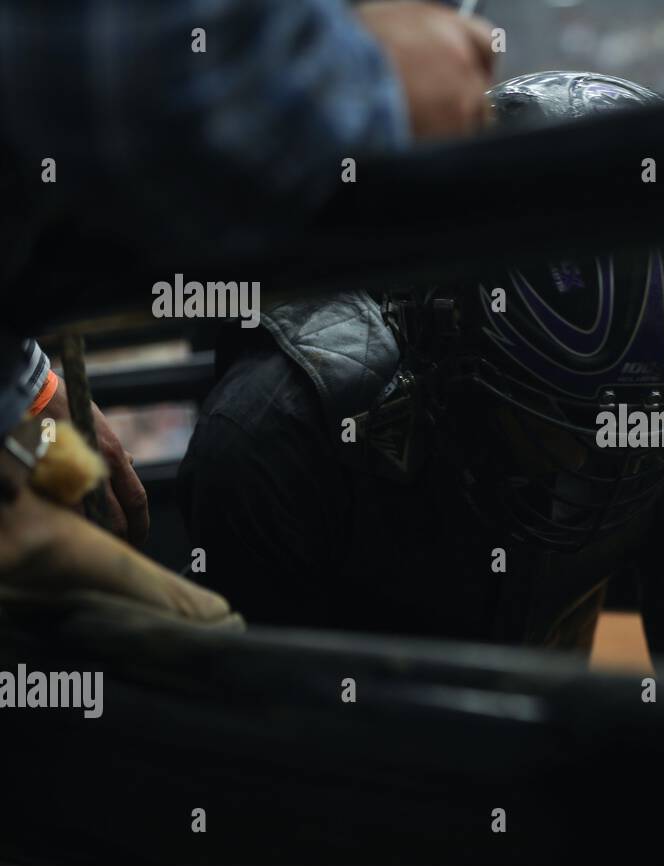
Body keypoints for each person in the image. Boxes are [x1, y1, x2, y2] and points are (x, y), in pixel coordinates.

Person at [179, 72, 664, 664]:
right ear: (444, 331)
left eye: (631, 420)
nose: (601, 455)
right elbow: (271, 740)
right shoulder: (279, 436)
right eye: (562, 414)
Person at [0, 0, 497, 619]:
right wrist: (374, 75)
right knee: (191, 658)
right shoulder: (263, 434)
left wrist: (27, 391)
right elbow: (123, 66)